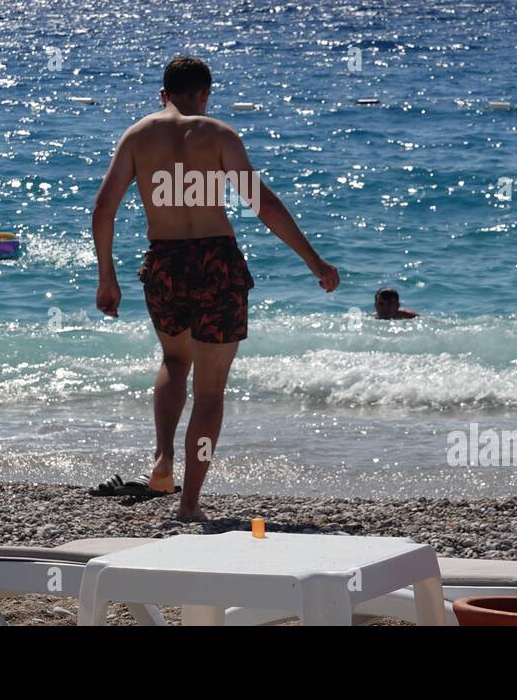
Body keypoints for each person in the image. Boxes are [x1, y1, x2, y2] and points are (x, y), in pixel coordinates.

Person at [91, 56, 339, 521]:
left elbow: (103, 209)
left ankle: (163, 458)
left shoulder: (137, 136)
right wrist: (313, 259)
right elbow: (261, 203)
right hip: (216, 264)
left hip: (163, 262)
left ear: (162, 94)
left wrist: (107, 276)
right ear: (204, 94)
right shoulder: (219, 135)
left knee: (173, 360)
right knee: (209, 394)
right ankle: (189, 504)